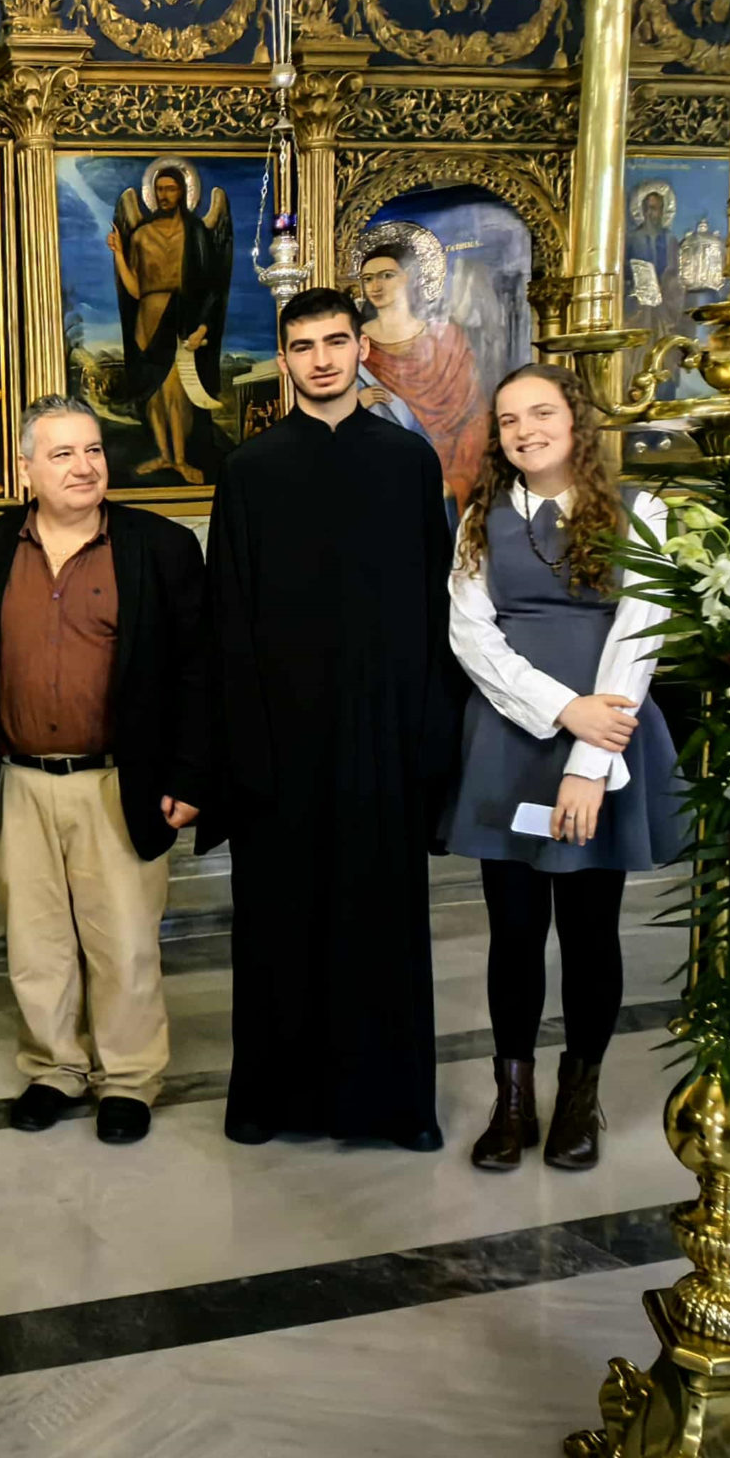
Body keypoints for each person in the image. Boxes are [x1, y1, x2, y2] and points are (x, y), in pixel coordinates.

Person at [204, 286, 459, 1151]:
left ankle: (396, 1107)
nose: (322, 359)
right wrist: (244, 749)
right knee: (278, 926)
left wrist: (428, 738)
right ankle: (269, 1102)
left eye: (336, 342)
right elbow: (229, 618)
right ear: (284, 360)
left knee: (382, 925)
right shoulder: (250, 470)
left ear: (362, 350)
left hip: (383, 739)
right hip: (281, 745)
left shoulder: (408, 463)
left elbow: (435, 608)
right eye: (304, 346)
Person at [0, 395, 213, 1144]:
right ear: (25, 468)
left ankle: (128, 1078)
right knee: (36, 943)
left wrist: (191, 775)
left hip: (119, 780)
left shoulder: (160, 547)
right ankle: (54, 1067)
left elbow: (199, 670)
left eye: (93, 450)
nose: (85, 466)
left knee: (124, 942)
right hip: (17, 781)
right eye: (62, 454)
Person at [443, 364, 686, 1171]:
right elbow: (472, 636)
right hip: (510, 741)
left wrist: (588, 756)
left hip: (607, 740)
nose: (525, 431)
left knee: (588, 930)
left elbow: (639, 636)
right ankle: (513, 1101)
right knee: (513, 931)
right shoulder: (478, 517)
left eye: (541, 413)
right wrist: (558, 709)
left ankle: (580, 1096)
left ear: (575, 420)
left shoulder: (638, 510)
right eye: (509, 420)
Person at [107, 164, 233, 485]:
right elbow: (135, 289)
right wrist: (119, 253)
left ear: (182, 192)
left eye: (171, 189)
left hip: (180, 319)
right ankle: (164, 455)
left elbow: (211, 287)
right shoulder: (141, 235)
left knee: (175, 392)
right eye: (159, 189)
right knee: (153, 395)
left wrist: (202, 327)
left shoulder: (196, 233)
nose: (164, 195)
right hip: (145, 323)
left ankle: (180, 459)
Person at [356, 241, 488, 508]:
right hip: (381, 468)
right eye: (368, 279)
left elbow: (472, 412)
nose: (376, 286)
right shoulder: (353, 343)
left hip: (445, 462)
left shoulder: (447, 336)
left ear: (409, 277)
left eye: (387, 275)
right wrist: (357, 404)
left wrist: (456, 476)